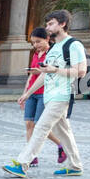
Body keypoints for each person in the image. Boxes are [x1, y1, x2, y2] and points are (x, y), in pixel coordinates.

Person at [4, 10, 84, 177]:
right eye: (47, 24)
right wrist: (27, 93)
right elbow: (44, 74)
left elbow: (81, 71)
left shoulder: (74, 45)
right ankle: (75, 166)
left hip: (62, 95)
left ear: (62, 24)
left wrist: (55, 69)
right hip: (49, 95)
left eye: (51, 23)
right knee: (65, 133)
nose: (47, 27)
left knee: (40, 127)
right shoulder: (55, 48)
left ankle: (22, 163)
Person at [17, 28, 62, 166]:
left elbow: (50, 73)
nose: (35, 45)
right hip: (32, 93)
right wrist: (25, 93)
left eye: (38, 42)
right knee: (29, 124)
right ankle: (31, 156)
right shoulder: (36, 54)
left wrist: (40, 71)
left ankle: (61, 145)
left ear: (47, 39)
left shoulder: (52, 54)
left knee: (39, 125)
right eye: (33, 43)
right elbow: (31, 75)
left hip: (44, 92)